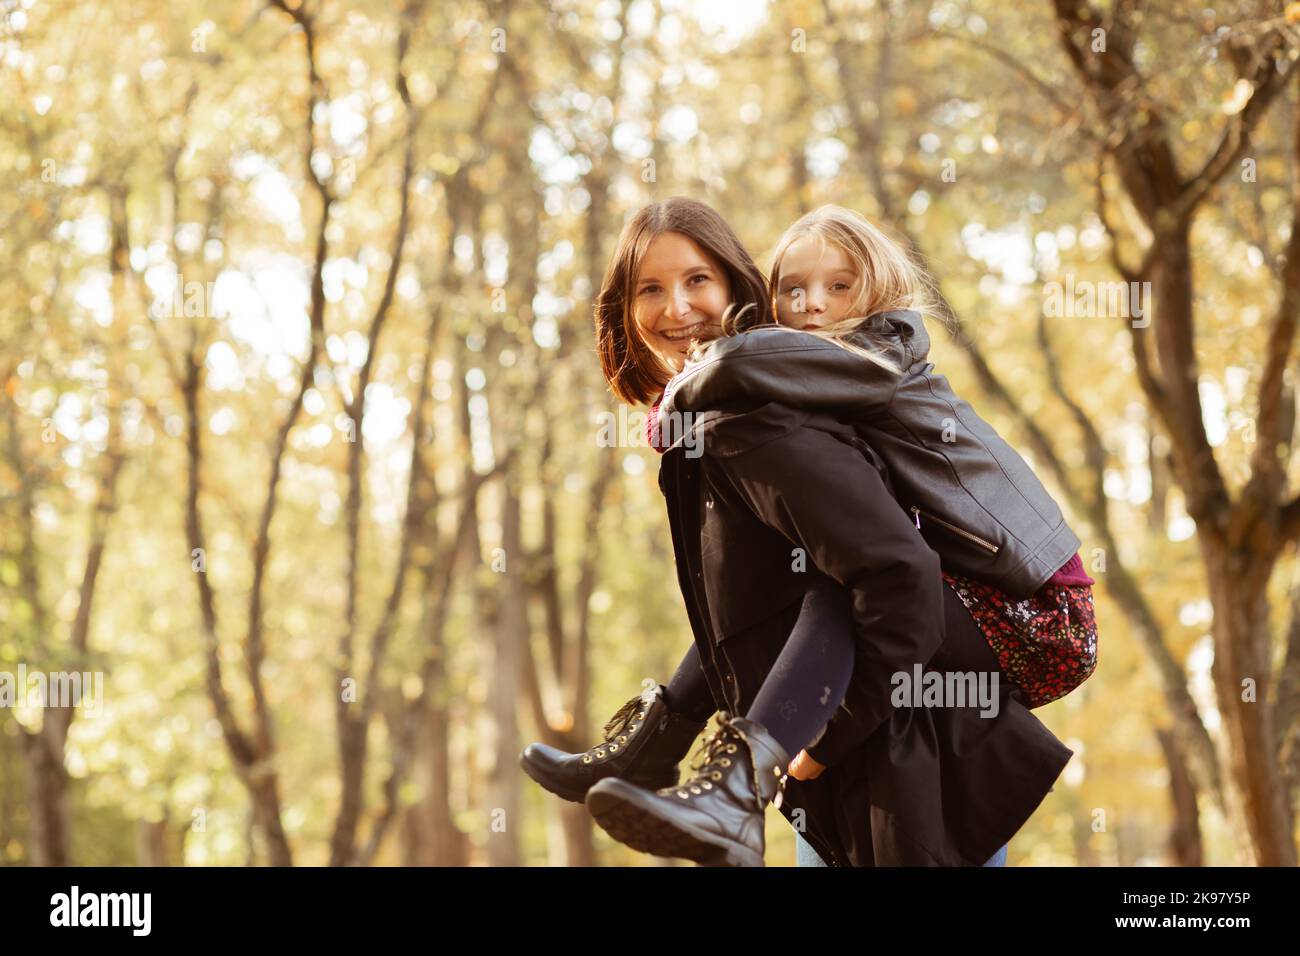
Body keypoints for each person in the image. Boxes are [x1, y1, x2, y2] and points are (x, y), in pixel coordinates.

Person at [522, 197, 1081, 866]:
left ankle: (732, 782)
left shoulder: (867, 358)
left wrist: (814, 745)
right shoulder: (793, 391)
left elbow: (892, 576)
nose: (814, 305)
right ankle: (666, 743)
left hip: (1033, 609)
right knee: (819, 577)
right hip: (943, 650)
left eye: (697, 280)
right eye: (795, 290)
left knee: (842, 582)